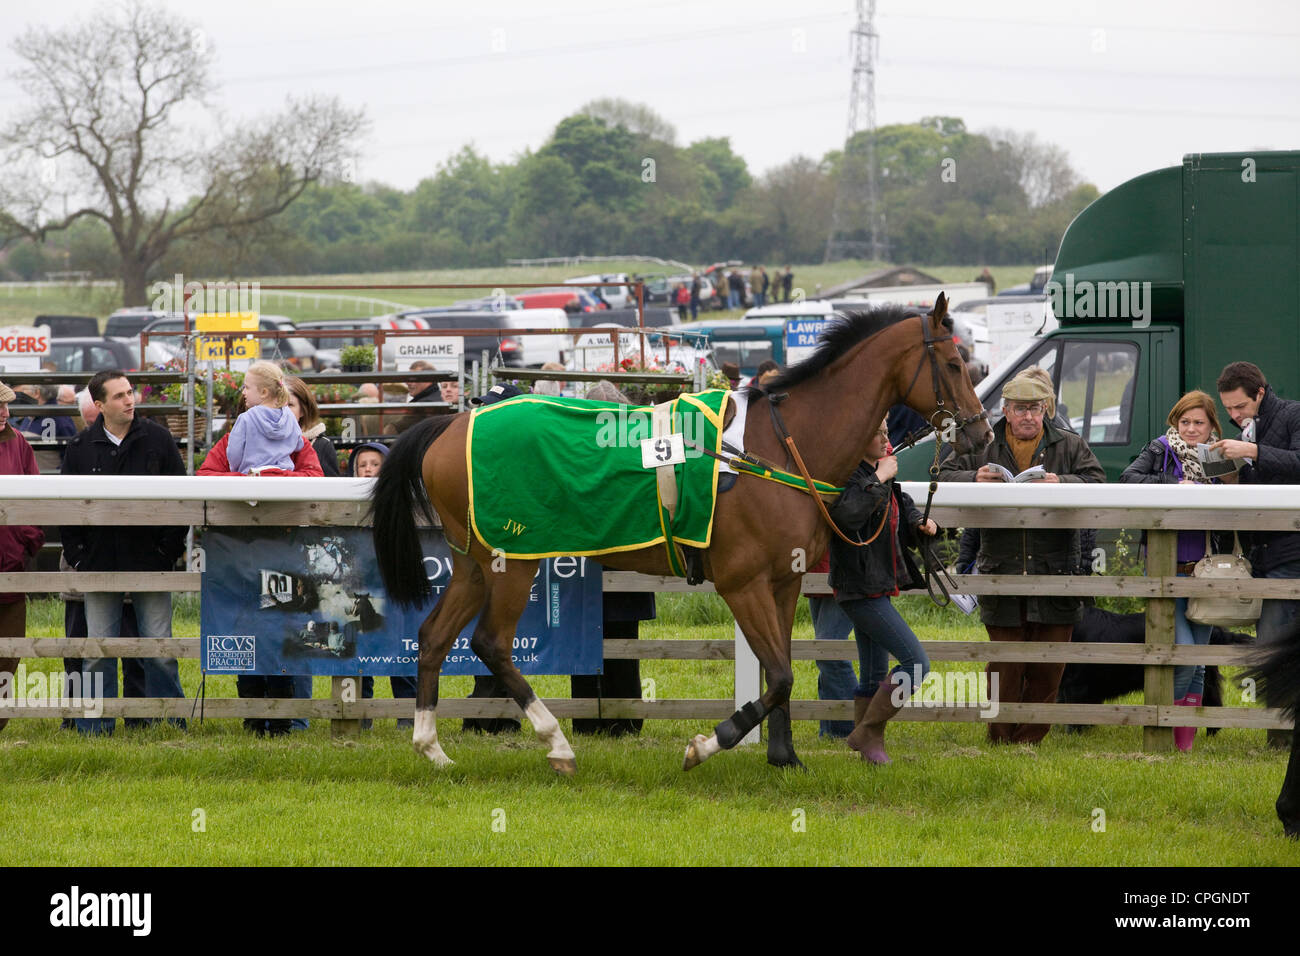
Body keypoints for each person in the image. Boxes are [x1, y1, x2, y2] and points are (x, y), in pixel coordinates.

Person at [939, 368, 1105, 744]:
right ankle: (999, 737)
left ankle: (1029, 740)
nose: (1028, 416)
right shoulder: (982, 443)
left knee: (1048, 665)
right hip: (1001, 568)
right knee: (1004, 664)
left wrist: (1062, 483)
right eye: (1020, 408)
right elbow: (942, 473)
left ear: (1046, 408)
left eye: (1035, 408)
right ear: (1005, 410)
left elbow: (1098, 481)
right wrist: (974, 479)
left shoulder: (1070, 444)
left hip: (1057, 569)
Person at [61, 370, 188, 736]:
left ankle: (169, 723)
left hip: (151, 564)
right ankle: (95, 726)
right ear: (99, 405)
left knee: (160, 649)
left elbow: (180, 502)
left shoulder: (159, 440)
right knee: (98, 650)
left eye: (131, 392)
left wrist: (168, 551)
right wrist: (80, 557)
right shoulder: (80, 448)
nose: (129, 400)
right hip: (99, 566)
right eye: (119, 396)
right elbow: (66, 511)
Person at [199, 385, 323, 736]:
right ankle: (253, 718)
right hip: (239, 553)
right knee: (244, 631)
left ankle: (281, 721)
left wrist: (270, 478)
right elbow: (206, 476)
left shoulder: (298, 444)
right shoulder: (229, 444)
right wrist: (246, 479)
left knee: (279, 632)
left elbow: (315, 477)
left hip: (284, 552)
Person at [1119, 391, 1233, 751]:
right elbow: (1128, 478)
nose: (1191, 429)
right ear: (1175, 422)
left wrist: (1229, 478)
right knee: (1182, 655)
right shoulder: (1160, 449)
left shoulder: (1216, 456)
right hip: (1167, 569)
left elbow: (1237, 499)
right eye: (1185, 422)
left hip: (1208, 571)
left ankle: (1183, 746)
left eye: (1199, 422)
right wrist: (1176, 485)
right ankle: (1163, 731)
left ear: (1212, 425)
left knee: (1198, 663)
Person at [828, 418, 939, 763]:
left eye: (886, 432)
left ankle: (870, 750)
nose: (885, 438)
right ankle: (865, 733)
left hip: (877, 584)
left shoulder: (878, 475)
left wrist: (918, 520)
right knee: (917, 664)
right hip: (860, 588)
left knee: (875, 673)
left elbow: (898, 503)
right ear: (859, 436)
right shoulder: (850, 475)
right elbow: (847, 516)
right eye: (878, 432)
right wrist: (879, 477)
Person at [1212, 361, 1300, 749]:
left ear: (1260, 393)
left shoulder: (1294, 414)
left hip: (1291, 549)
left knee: (1274, 646)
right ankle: (1282, 736)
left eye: (1239, 407)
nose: (1233, 416)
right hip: (1265, 552)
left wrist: (1252, 450)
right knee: (1276, 646)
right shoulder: (1248, 428)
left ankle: (1281, 739)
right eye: (1228, 409)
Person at [570, 380, 654, 736]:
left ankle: (625, 720)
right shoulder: (575, 453)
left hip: (626, 559)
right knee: (582, 645)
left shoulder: (641, 450)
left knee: (622, 644)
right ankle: (590, 721)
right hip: (583, 563)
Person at [0, 381, 45, 734]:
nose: (3, 413)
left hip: (11, 565)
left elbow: (34, 494)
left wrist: (27, 540)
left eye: (6, 406)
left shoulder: (19, 443)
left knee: (9, 654)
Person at [226, 361, 302, 475]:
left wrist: (236, 469)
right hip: (284, 476)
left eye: (247, 387)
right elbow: (298, 444)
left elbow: (234, 454)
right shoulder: (289, 415)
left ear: (264, 392)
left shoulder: (246, 418)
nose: (243, 392)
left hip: (254, 478)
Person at [287, 376, 339, 478]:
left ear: (302, 410)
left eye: (290, 405)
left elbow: (331, 489)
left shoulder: (322, 445)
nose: (284, 410)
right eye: (279, 404)